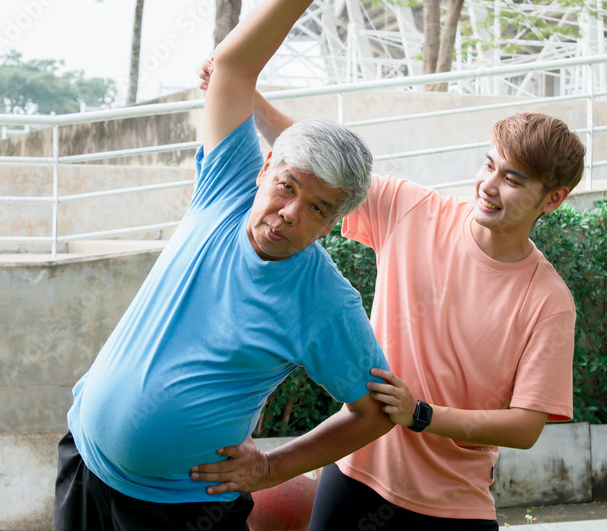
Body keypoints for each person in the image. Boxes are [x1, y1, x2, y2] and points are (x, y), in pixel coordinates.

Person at [53, 0, 399, 531]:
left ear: (334, 224)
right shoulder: (225, 191)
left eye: (318, 209)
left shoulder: (324, 301)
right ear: (266, 169)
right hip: (86, 463)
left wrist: (275, 468)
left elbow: (374, 412)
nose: (291, 212)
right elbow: (232, 67)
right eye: (288, 187)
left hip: (182, 513)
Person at [191, 66, 584, 529]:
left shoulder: (548, 300)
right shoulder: (412, 210)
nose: (489, 185)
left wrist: (422, 415)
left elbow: (525, 426)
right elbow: (318, 160)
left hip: (454, 506)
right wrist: (242, 88)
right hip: (354, 477)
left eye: (512, 180)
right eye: (488, 164)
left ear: (553, 199)